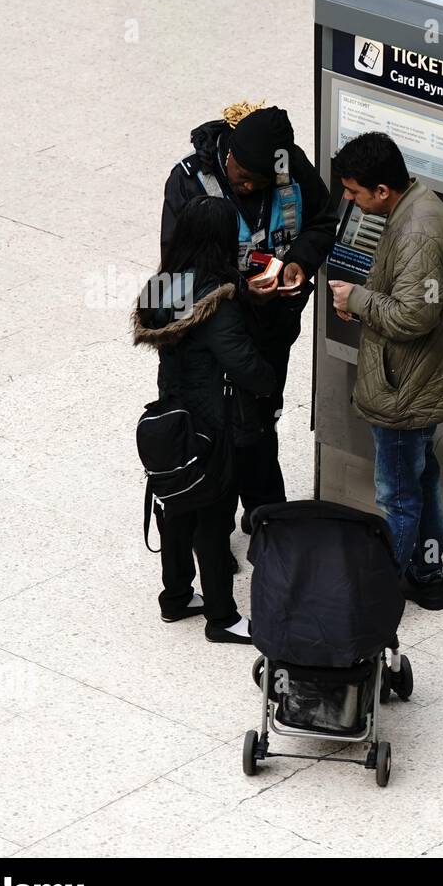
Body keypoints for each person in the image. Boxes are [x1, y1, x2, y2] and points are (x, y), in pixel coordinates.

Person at [161, 102, 337, 535]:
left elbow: (324, 219)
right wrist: (240, 289)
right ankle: (215, 529)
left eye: (258, 183)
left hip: (273, 324)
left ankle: (264, 520)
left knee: (261, 417)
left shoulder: (289, 166)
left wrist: (298, 262)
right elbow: (176, 272)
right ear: (230, 155)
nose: (247, 187)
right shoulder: (188, 182)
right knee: (218, 426)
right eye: (241, 177)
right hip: (215, 331)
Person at [328, 132, 443, 611]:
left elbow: (415, 316)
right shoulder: (412, 209)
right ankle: (427, 578)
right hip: (414, 378)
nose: (348, 199)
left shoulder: (418, 231)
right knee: (422, 480)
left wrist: (359, 300)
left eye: (353, 192)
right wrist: (367, 304)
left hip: (404, 388)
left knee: (398, 496)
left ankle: (380, 596)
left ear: (382, 191)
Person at [134, 196, 276, 643]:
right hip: (211, 424)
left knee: (175, 508)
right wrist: (268, 381)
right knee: (213, 519)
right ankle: (223, 617)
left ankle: (176, 597)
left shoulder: (163, 286)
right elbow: (244, 364)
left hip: (169, 418)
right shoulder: (216, 300)